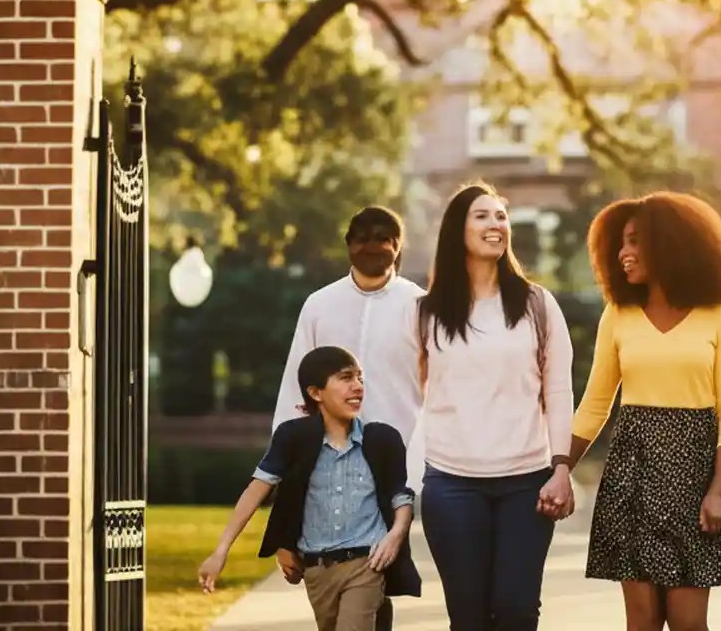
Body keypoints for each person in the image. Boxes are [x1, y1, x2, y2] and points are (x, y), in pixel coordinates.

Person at [564, 191, 721, 631]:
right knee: (642, 622)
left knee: (688, 622)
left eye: (633, 242)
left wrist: (718, 488)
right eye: (620, 244)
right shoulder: (619, 314)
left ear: (668, 244)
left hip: (694, 475)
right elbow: (595, 402)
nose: (623, 254)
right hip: (633, 474)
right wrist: (559, 467)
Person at [410, 182, 575, 631]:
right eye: (482, 215)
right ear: (456, 230)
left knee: (518, 611)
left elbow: (558, 392)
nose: (496, 224)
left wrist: (561, 468)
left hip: (527, 484)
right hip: (452, 484)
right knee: (468, 618)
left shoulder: (537, 305)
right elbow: (407, 397)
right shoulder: (425, 313)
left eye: (500, 215)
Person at [271, 206, 425, 630]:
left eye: (384, 236)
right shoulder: (320, 305)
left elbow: (435, 392)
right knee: (337, 586)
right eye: (363, 236)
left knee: (379, 569)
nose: (373, 244)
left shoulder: (419, 307)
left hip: (393, 464)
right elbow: (293, 388)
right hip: (326, 461)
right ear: (348, 245)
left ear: (398, 246)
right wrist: (286, 467)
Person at [198, 346, 422, 631]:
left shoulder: (382, 439)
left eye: (360, 378)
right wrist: (221, 551)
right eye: (345, 378)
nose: (358, 386)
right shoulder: (294, 438)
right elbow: (259, 489)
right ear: (316, 393)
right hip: (317, 570)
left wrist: (396, 534)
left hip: (367, 563)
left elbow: (400, 495)